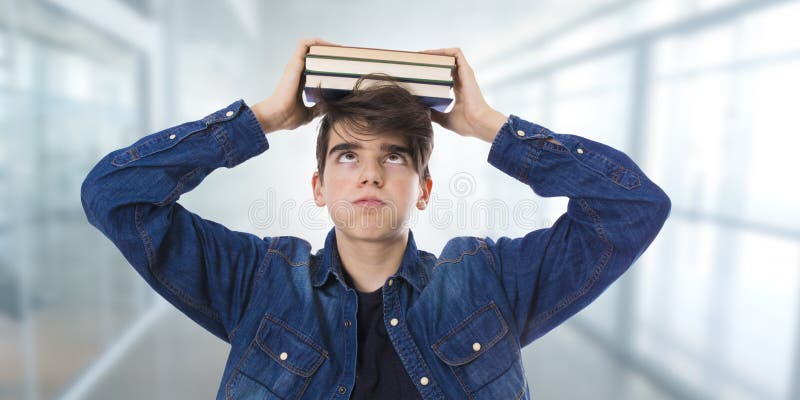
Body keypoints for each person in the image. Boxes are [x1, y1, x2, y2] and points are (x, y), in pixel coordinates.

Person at [81, 38, 671, 400]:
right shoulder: (256, 280)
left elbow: (632, 207)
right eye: (347, 156)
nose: (369, 174)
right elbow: (114, 194)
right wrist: (262, 119)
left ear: (424, 189)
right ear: (318, 187)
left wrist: (489, 125)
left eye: (393, 157)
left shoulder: (489, 281)